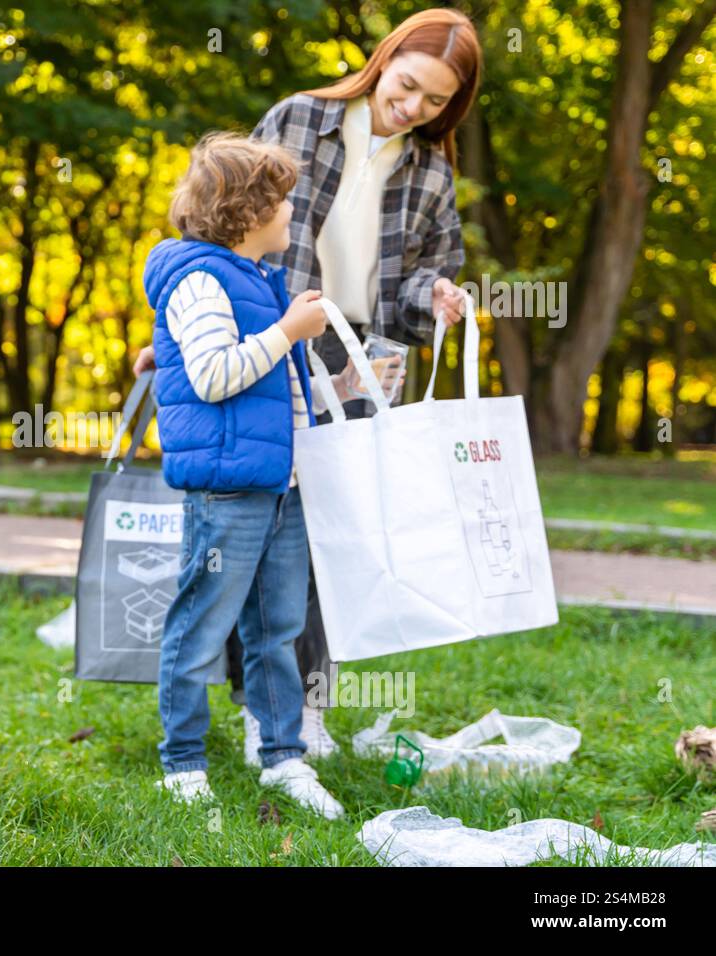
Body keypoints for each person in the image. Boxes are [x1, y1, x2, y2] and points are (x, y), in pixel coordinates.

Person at [135, 8, 482, 766]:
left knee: (324, 542)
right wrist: (174, 337)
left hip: (365, 357)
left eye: (435, 102)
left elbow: (426, 268)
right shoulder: (300, 117)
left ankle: (302, 706)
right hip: (276, 339)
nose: (413, 107)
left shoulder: (430, 170)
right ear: (385, 60)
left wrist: (439, 297)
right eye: (408, 85)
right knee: (250, 531)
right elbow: (220, 225)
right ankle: (254, 708)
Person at [145, 131, 343, 819]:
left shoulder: (257, 281)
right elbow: (213, 376)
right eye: (283, 202)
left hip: (277, 487)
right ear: (246, 211)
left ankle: (283, 758)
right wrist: (289, 331)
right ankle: (182, 764)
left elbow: (269, 400)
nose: (293, 213)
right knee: (200, 627)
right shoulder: (199, 278)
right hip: (228, 492)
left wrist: (341, 383)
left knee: (277, 628)